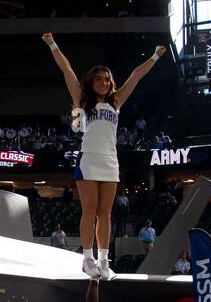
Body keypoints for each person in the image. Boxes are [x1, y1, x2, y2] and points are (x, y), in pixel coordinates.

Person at [43, 32, 167, 280]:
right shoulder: (81, 98)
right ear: (91, 82)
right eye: (98, 79)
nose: (103, 82)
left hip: (111, 161)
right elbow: (66, 69)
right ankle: (87, 258)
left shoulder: (116, 101)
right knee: (89, 210)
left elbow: (135, 76)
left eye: (107, 79)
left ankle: (103, 261)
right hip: (89, 159)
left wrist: (155, 55)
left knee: (105, 214)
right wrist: (52, 44)